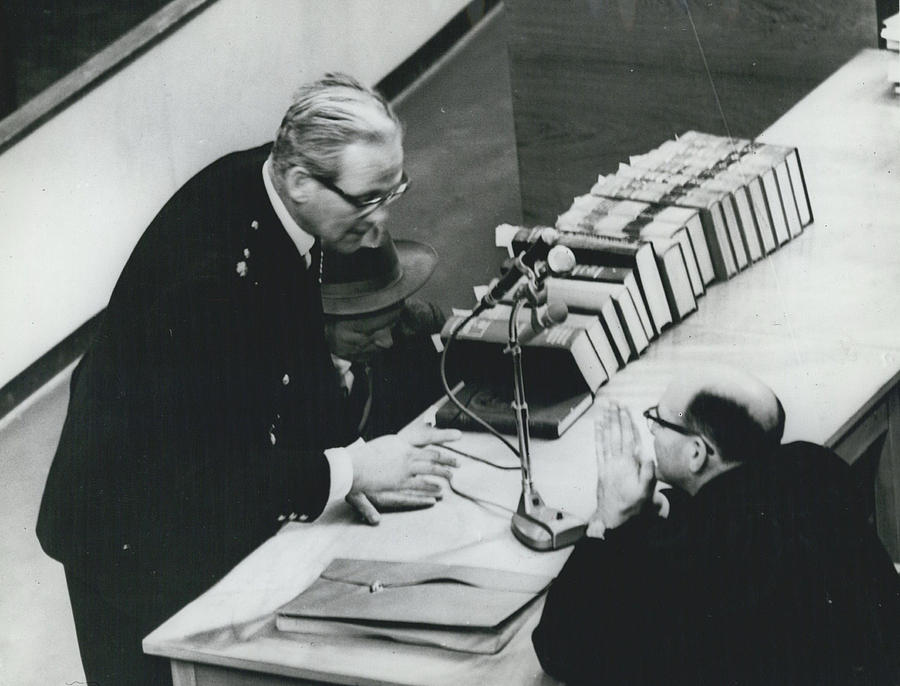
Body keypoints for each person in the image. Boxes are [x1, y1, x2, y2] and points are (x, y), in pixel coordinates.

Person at [36, 73, 459, 685]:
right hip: (126, 534)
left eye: (395, 191)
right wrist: (349, 470)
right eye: (368, 198)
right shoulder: (210, 281)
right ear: (299, 181)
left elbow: (289, 357)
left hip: (183, 493)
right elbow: (208, 469)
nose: (381, 221)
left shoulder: (275, 199)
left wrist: (340, 460)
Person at [533, 365, 900, 686]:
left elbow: (559, 648)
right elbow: (730, 510)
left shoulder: (687, 561)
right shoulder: (812, 466)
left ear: (696, 453)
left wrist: (612, 519)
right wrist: (663, 507)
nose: (652, 431)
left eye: (658, 422)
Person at [318, 230, 451, 524]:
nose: (387, 342)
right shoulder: (278, 373)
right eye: (365, 332)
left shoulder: (419, 326)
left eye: (390, 323)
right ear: (318, 321)